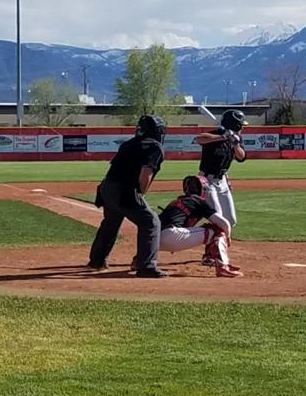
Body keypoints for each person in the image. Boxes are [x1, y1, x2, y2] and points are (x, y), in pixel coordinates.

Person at [88, 114, 169, 278]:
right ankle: (146, 266)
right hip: (123, 190)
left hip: (106, 187)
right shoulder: (155, 147)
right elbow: (145, 173)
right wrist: (140, 195)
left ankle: (97, 260)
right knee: (151, 222)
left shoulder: (128, 144)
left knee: (111, 222)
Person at [159, 175, 240, 277]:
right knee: (217, 230)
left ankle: (141, 260)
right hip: (173, 236)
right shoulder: (199, 201)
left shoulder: (176, 202)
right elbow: (224, 223)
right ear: (203, 190)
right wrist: (227, 238)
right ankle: (222, 267)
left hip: (155, 242)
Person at [192, 109, 246, 235]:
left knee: (230, 220)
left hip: (222, 182)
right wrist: (224, 136)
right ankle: (208, 243)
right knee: (219, 219)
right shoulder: (215, 135)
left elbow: (241, 157)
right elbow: (199, 139)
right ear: (235, 125)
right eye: (241, 125)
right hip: (207, 181)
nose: (243, 128)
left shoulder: (236, 139)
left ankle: (211, 238)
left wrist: (235, 144)